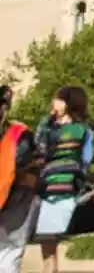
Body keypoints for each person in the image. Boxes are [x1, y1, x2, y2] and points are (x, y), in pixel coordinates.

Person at [33, 86, 94, 273]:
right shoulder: (49, 129)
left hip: (66, 192)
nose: (54, 103)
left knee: (54, 239)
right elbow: (37, 147)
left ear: (69, 103)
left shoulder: (81, 131)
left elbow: (86, 159)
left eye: (58, 99)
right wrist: (47, 121)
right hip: (47, 191)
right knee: (46, 244)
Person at [0, 85, 41, 273]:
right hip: (17, 198)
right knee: (9, 254)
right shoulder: (19, 133)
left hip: (16, 199)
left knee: (8, 253)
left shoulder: (18, 133)